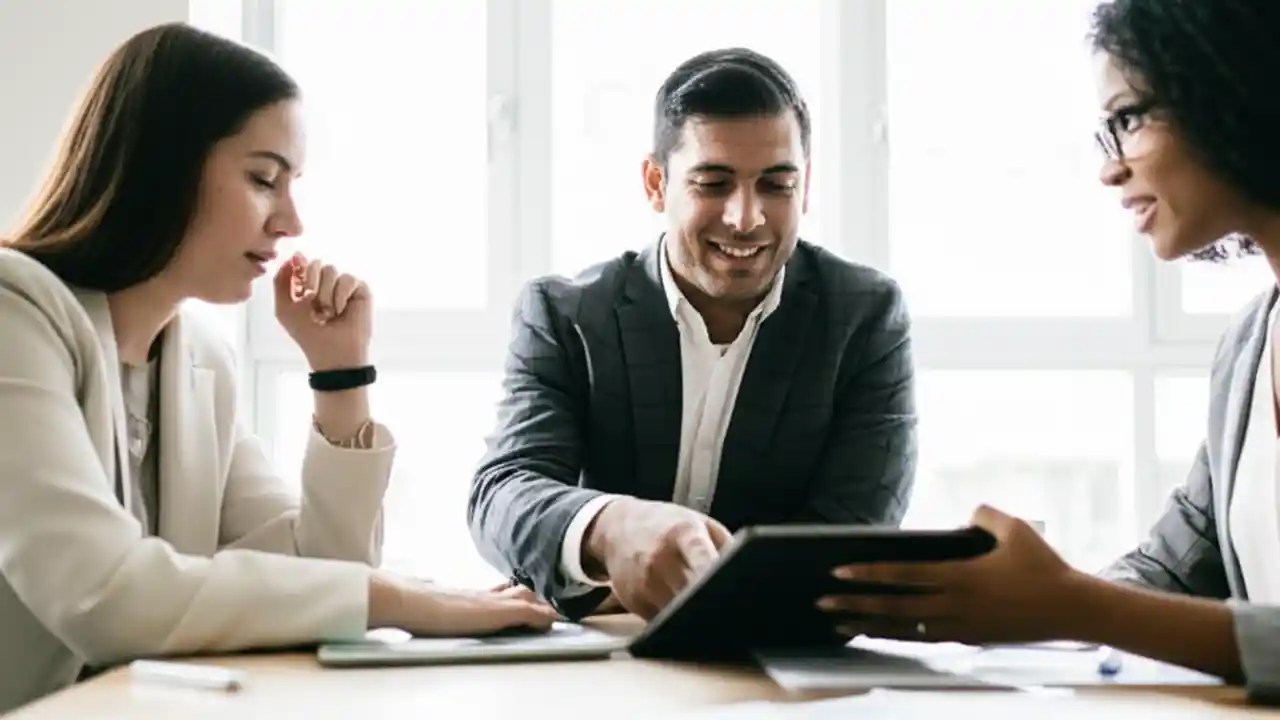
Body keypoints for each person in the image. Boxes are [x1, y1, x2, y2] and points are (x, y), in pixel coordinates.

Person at [0, 23, 554, 713]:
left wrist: (340, 377)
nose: (290, 221)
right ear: (162, 164)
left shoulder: (199, 359)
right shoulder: (14, 312)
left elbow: (325, 577)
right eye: (264, 179)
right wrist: (401, 602)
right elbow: (104, 593)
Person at [818, 0, 1280, 702]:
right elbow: (1172, 571)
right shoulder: (1248, 347)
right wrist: (978, 599)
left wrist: (1067, 603)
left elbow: (1112, 606)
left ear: (1230, 86)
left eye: (1128, 118)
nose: (1109, 169)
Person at [469, 47, 917, 621]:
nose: (746, 217)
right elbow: (503, 492)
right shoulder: (566, 315)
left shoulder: (865, 317)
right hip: (606, 669)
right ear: (656, 183)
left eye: (777, 186)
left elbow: (853, 541)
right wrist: (612, 528)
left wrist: (625, 592)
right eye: (714, 183)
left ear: (805, 189)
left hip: (778, 665)